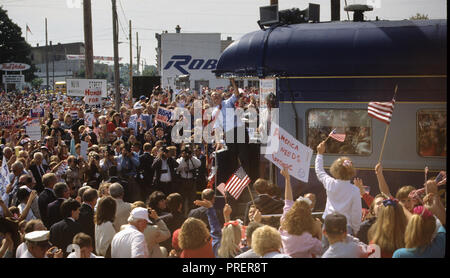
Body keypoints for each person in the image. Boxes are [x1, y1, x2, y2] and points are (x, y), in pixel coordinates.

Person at [315, 140, 361, 247]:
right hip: (345, 227)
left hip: (328, 224)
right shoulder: (354, 190)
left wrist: (319, 154)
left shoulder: (330, 183)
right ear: (351, 172)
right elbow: (356, 212)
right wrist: (356, 228)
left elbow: (319, 171)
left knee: (326, 252)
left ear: (334, 170)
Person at [279, 168, 323, 258]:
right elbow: (322, 250)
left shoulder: (284, 224)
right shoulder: (307, 239)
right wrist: (319, 231)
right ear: (308, 219)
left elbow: (288, 200)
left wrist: (287, 179)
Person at [393, 191, 446, 258]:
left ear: (409, 228)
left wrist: (401, 206)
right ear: (433, 227)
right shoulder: (440, 245)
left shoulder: (400, 255)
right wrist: (435, 197)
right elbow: (443, 222)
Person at [176, 145, 201, 215]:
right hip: (183, 181)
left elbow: (199, 164)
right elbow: (178, 167)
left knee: (192, 199)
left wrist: (191, 157)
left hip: (191, 181)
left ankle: (191, 213)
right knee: (183, 199)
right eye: (184, 152)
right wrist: (184, 158)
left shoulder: (193, 159)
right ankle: (183, 214)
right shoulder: (180, 160)